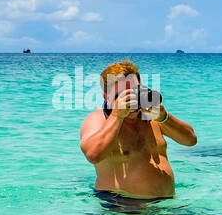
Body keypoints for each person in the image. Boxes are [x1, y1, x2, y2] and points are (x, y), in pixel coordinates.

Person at [80, 60, 197, 200]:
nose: (130, 99)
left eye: (133, 92)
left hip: (164, 206)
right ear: (107, 97)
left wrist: (164, 117)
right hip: (121, 207)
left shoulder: (151, 115)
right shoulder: (98, 119)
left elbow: (190, 140)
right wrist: (117, 115)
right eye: (122, 95)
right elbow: (93, 155)